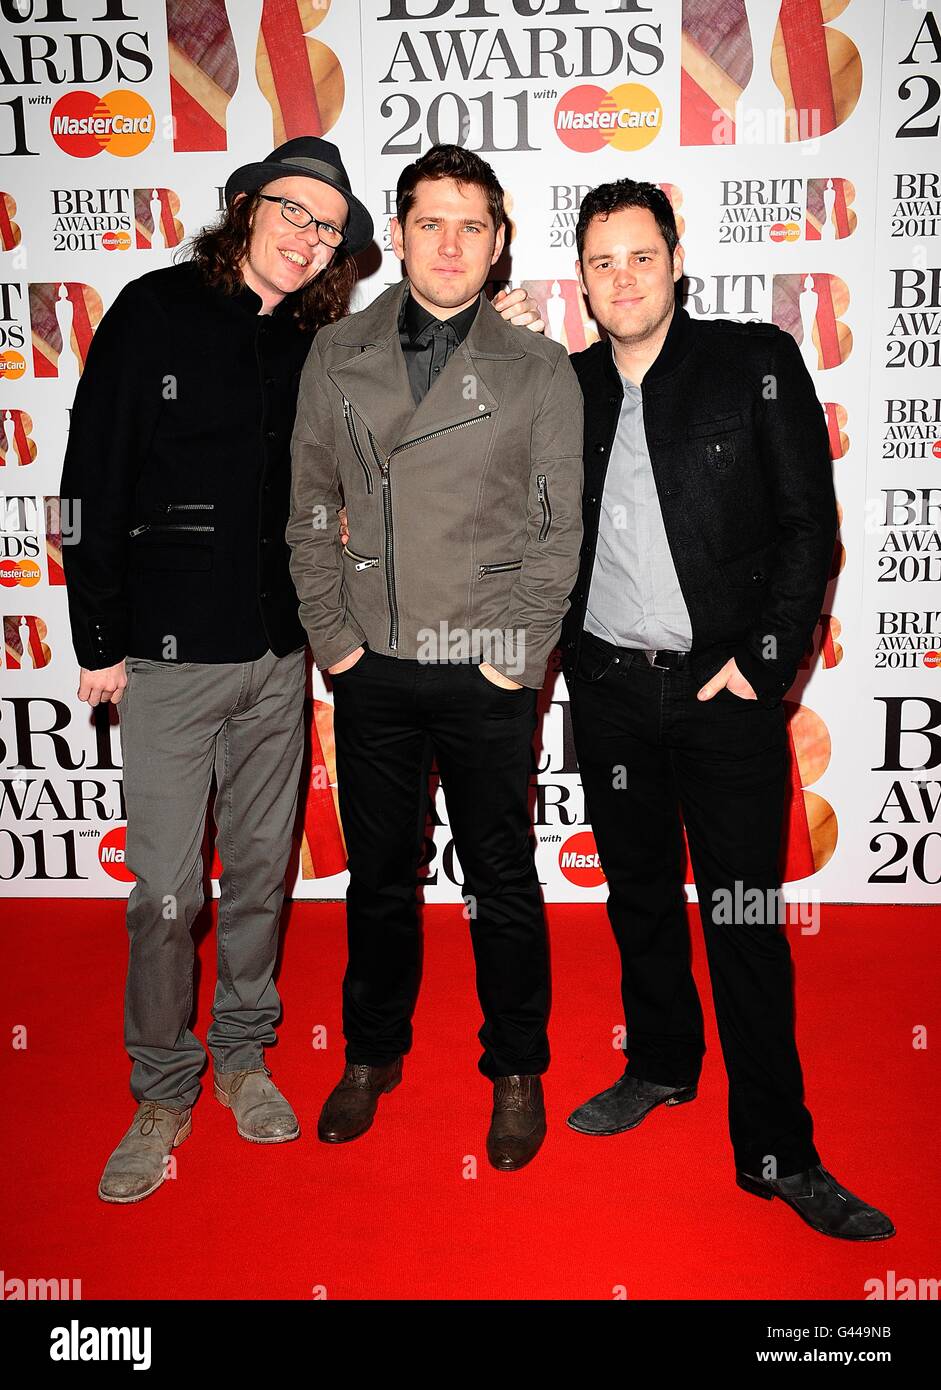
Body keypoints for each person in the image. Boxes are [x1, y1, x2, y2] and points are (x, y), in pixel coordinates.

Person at [61, 134, 544, 1205]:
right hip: (169, 658)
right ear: (243, 207)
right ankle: (161, 1085)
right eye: (291, 210)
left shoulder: (321, 342)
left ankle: (241, 1055)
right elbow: (83, 477)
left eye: (327, 225)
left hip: (287, 661)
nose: (306, 236)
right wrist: (96, 635)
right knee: (165, 892)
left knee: (262, 883)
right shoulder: (149, 310)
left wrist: (497, 332)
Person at [559, 178, 894, 1239]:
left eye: (637, 256)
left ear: (673, 259)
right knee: (638, 898)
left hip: (722, 698)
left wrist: (760, 662)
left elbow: (808, 529)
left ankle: (777, 1151)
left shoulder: (752, 361)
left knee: (742, 923)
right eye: (600, 262)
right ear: (581, 278)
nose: (621, 278)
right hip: (608, 690)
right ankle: (658, 1062)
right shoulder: (560, 388)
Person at [287, 145, 584, 1171]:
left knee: (500, 876)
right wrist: (335, 645)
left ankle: (514, 1065)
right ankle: (371, 1051)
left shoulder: (537, 365)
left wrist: (514, 656)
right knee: (379, 876)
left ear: (498, 243)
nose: (449, 243)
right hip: (375, 661)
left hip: (485, 663)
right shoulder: (335, 352)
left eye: (471, 225)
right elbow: (309, 507)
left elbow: (556, 532)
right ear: (397, 234)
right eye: (429, 222)